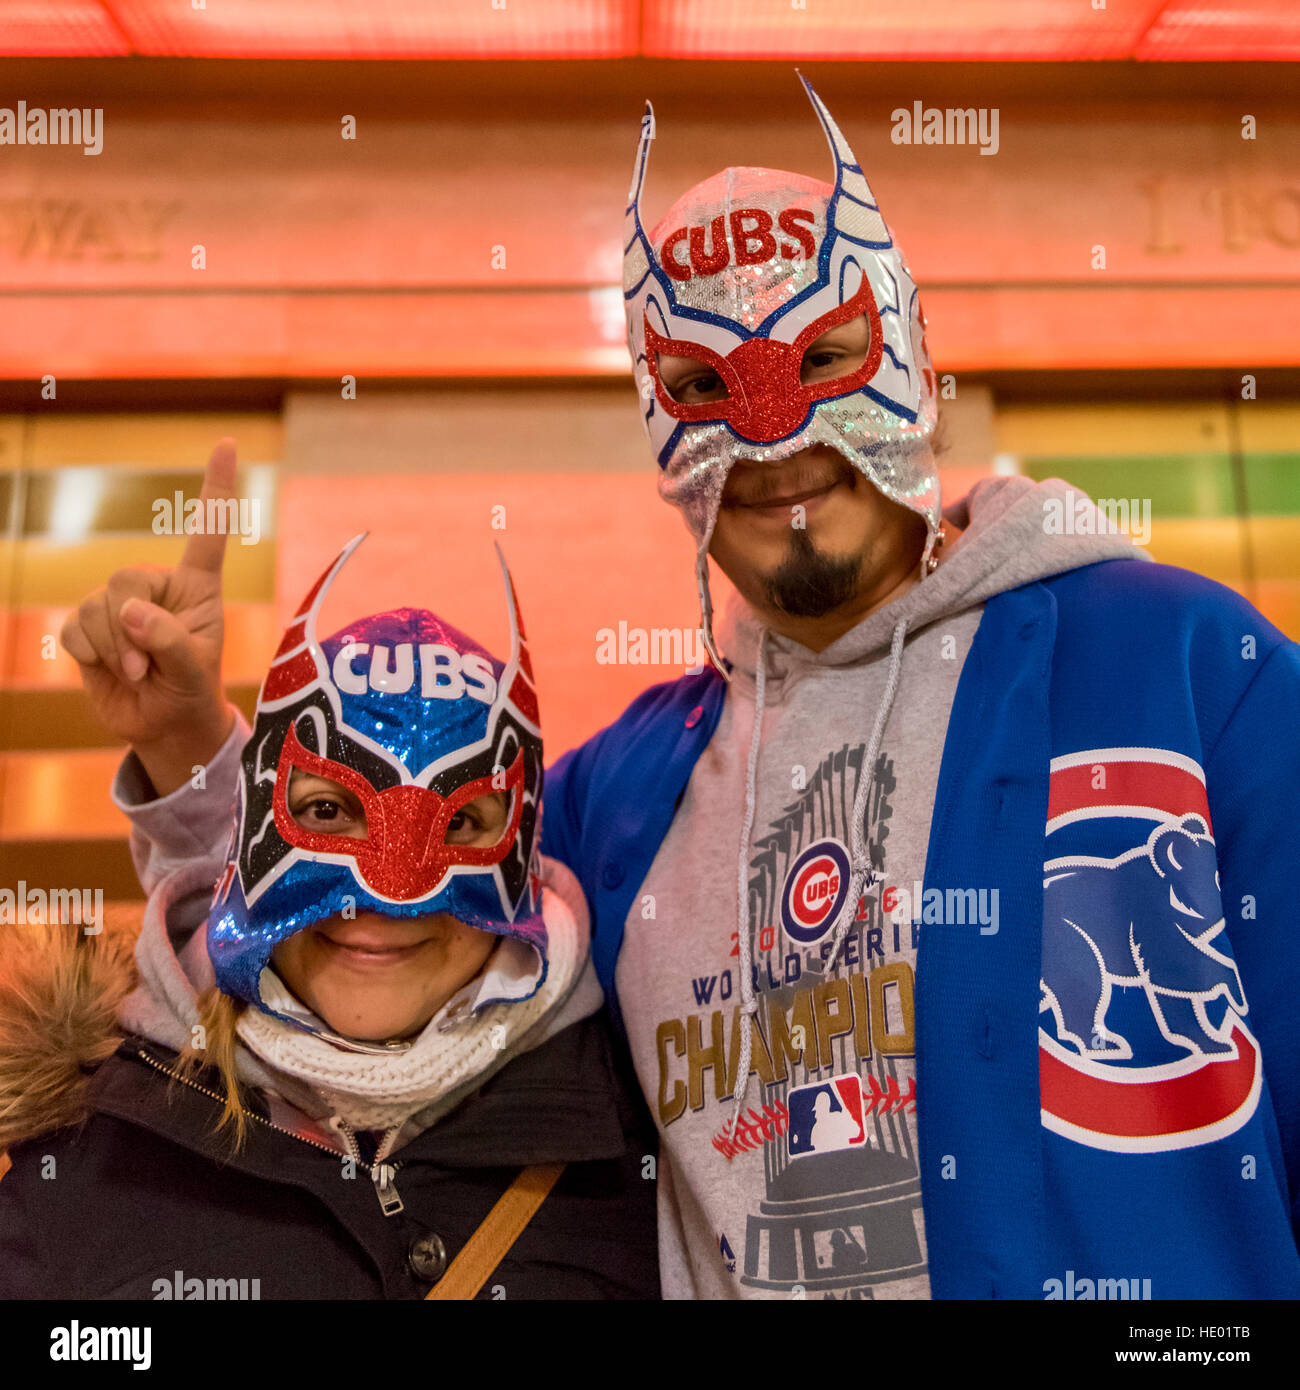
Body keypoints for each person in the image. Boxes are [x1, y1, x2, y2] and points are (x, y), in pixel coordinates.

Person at [43, 76, 1300, 1300]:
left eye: (826, 358)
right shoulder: (623, 796)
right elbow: (370, 950)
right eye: (703, 388)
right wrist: (193, 745)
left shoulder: (1182, 670)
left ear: (916, 358)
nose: (774, 438)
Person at [0, 530, 658, 1300]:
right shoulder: (88, 1172)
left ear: (525, 846)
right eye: (327, 811)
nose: (388, 892)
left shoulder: (640, 1148)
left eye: (458, 823)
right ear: (252, 839)